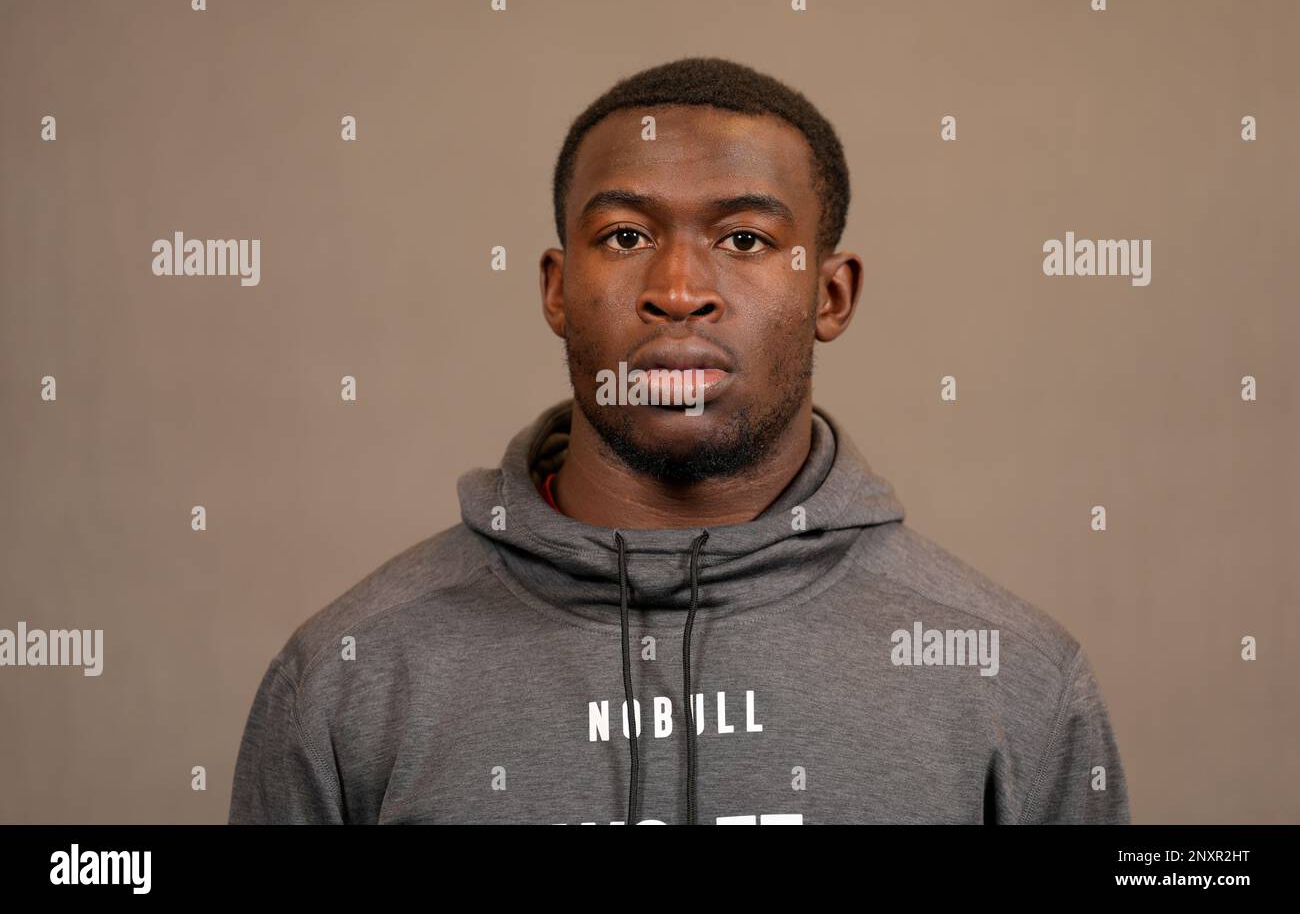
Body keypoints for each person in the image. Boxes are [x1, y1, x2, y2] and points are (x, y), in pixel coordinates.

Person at [229, 56, 1130, 824]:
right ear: (554, 287)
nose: (678, 289)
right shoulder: (350, 678)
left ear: (831, 295)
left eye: (744, 238)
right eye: (624, 235)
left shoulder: (1013, 680)